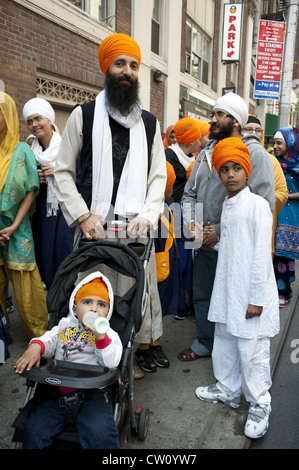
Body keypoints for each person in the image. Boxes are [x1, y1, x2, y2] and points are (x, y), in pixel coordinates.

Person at [53, 33, 167, 370]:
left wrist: (148, 215)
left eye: (133, 65)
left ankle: (131, 353)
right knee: (94, 294)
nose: (127, 71)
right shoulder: (83, 116)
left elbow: (157, 178)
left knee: (136, 292)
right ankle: (90, 357)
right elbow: (62, 172)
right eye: (120, 63)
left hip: (135, 228)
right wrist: (83, 215)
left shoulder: (149, 124)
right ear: (107, 68)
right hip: (95, 227)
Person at [179, 92, 275, 361]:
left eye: (219, 114)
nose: (213, 120)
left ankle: (233, 353)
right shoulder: (206, 153)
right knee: (202, 296)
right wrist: (193, 225)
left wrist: (219, 230)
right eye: (212, 114)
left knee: (234, 299)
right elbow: (189, 194)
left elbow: (264, 204)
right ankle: (206, 343)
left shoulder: (255, 154)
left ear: (236, 121)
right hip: (201, 243)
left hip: (235, 247)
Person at [195, 137, 279, 440]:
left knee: (252, 349)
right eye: (224, 169)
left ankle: (260, 404)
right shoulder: (228, 205)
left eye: (236, 168)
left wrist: (256, 298)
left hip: (250, 293)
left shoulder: (257, 205)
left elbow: (259, 254)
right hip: (228, 287)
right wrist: (209, 238)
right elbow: (231, 248)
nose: (230, 174)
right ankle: (228, 389)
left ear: (247, 171)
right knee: (225, 340)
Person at [15, 271, 122, 449]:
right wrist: (36, 347)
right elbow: (48, 340)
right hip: (58, 390)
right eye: (87, 302)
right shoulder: (64, 326)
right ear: (74, 308)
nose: (94, 309)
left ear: (108, 311)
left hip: (93, 394)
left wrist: (101, 337)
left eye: (101, 305)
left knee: (100, 433)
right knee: (34, 430)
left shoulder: (109, 334)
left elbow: (111, 362)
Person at [0, 92, 48, 338]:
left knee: (26, 285)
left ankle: (41, 336)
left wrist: (14, 226)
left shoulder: (22, 151)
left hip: (18, 229)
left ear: (7, 116)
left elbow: (31, 191)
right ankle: (2, 334)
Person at [22, 98, 75, 290]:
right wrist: (32, 177)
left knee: (63, 255)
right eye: (29, 121)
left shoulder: (67, 146)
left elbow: (81, 179)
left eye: (38, 119)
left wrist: (59, 173)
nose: (34, 125)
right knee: (43, 256)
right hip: (39, 212)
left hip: (63, 212)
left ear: (50, 120)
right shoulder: (29, 151)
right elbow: (19, 182)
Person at [242, 115, 288, 257]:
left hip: (261, 226)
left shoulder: (271, 161)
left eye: (258, 130)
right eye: (248, 129)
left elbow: (282, 192)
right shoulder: (232, 157)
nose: (253, 134)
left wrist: (260, 201)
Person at [272, 127, 299, 307]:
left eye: (279, 143)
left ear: (289, 143)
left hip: (291, 214)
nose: (274, 146)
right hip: (275, 212)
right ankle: (275, 291)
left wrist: (285, 195)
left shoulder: (297, 165)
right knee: (274, 253)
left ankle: (283, 291)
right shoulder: (272, 162)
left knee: (285, 255)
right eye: (273, 142)